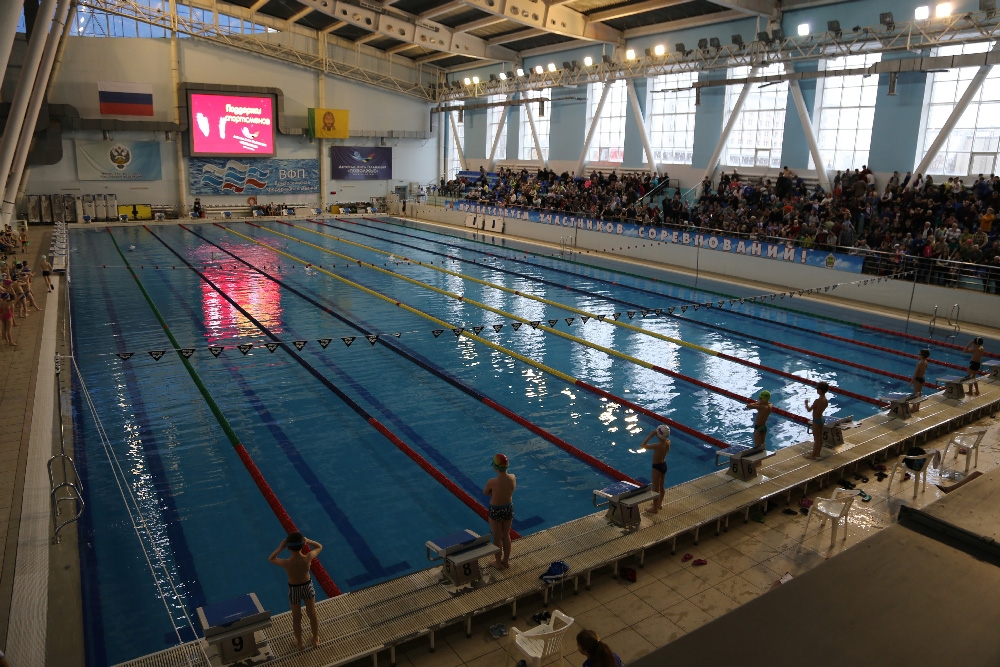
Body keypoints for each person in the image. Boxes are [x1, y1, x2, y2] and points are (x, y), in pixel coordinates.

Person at [268, 532, 323, 650]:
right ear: (303, 545)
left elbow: (271, 558)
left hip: (294, 589)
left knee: (297, 617)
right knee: (312, 613)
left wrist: (279, 548)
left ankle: (299, 643)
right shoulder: (308, 557)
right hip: (307, 586)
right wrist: (308, 541)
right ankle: (315, 638)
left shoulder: (286, 563)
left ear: (287, 546)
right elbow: (319, 547)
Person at [483, 453, 516, 570]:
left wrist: (493, 492)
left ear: (495, 467)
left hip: (496, 510)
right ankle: (506, 561)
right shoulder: (512, 477)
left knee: (497, 537)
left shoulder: (492, 481)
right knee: (506, 535)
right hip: (508, 508)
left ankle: (497, 562)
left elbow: (485, 492)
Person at [638, 424, 670, 514]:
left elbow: (643, 445)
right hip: (664, 465)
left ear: (658, 434)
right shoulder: (668, 443)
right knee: (661, 486)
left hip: (657, 467)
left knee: (655, 489)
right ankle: (659, 504)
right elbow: (663, 440)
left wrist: (650, 435)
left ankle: (654, 509)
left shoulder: (657, 445)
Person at [804, 382, 829, 460]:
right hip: (821, 419)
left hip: (816, 421)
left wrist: (806, 403)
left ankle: (813, 456)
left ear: (820, 390)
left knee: (816, 439)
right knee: (820, 438)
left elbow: (809, 410)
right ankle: (817, 453)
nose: (817, 390)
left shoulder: (817, 401)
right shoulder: (825, 400)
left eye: (817, 389)